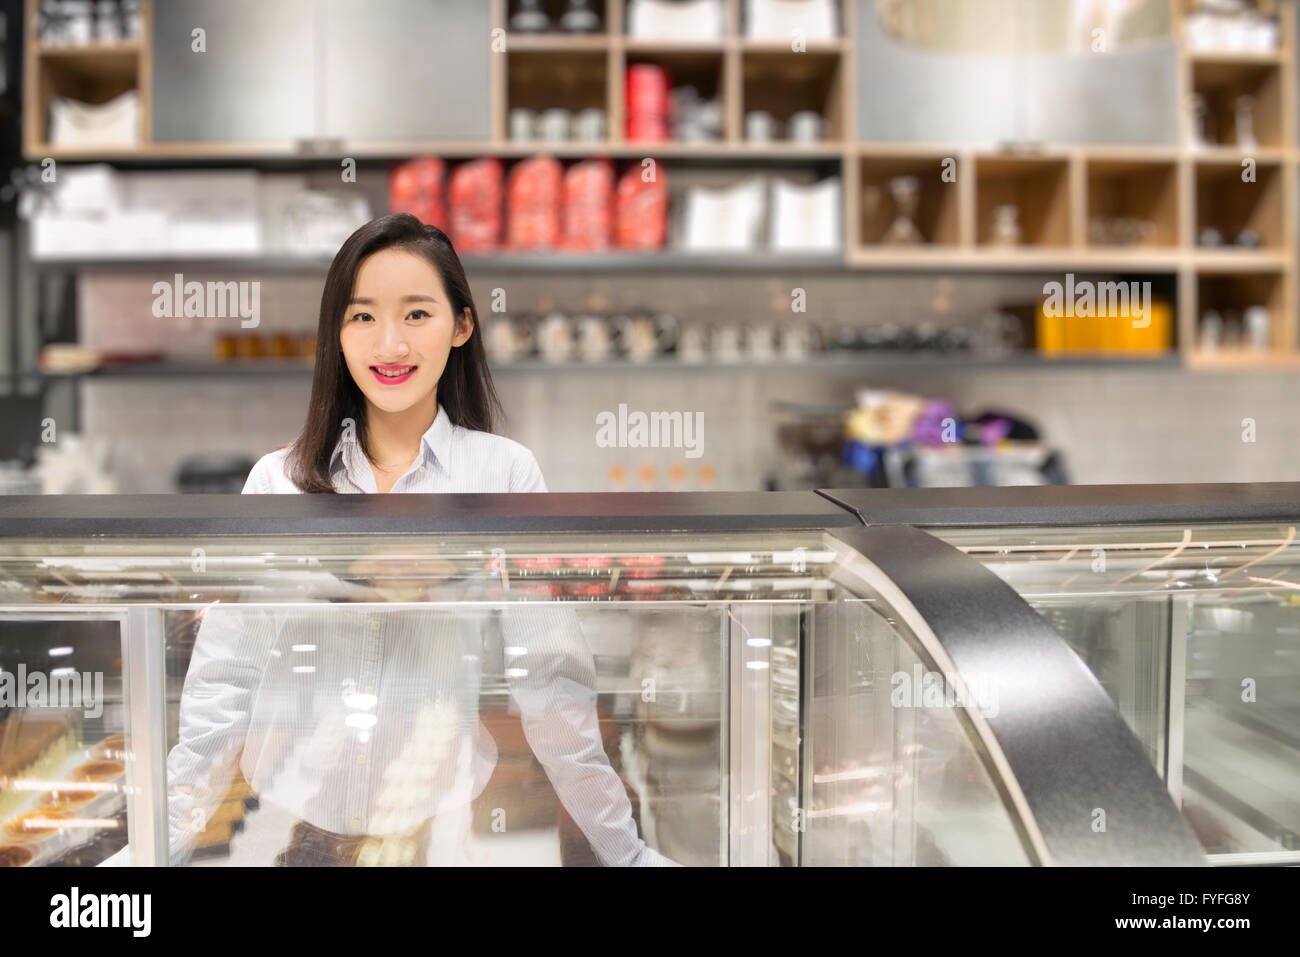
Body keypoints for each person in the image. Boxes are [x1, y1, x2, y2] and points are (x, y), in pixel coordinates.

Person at [108, 214, 675, 867]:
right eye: (363, 317)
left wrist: (624, 853)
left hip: (436, 822)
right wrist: (152, 852)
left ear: (461, 325)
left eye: (416, 314)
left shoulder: (504, 473)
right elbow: (224, 683)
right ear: (337, 335)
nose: (390, 343)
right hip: (290, 822)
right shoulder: (280, 479)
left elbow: (552, 683)